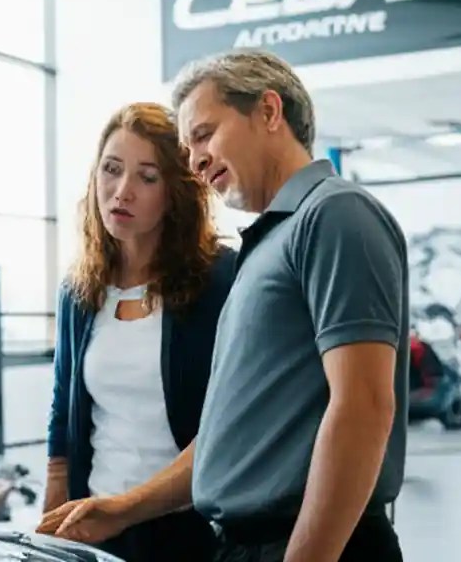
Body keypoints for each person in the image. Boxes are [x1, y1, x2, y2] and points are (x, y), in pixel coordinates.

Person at [47, 50, 409, 562]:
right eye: (189, 145)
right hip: (243, 541)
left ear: (267, 111)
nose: (194, 159)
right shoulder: (268, 245)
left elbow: (365, 407)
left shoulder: (334, 215)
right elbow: (228, 432)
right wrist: (123, 509)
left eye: (204, 134)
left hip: (307, 542)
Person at [34, 102, 237, 561]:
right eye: (111, 169)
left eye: (147, 177)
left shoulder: (220, 279)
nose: (121, 191)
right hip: (98, 527)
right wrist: (54, 502)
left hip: (192, 526)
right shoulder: (79, 288)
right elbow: (63, 404)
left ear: (175, 191)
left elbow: (230, 420)